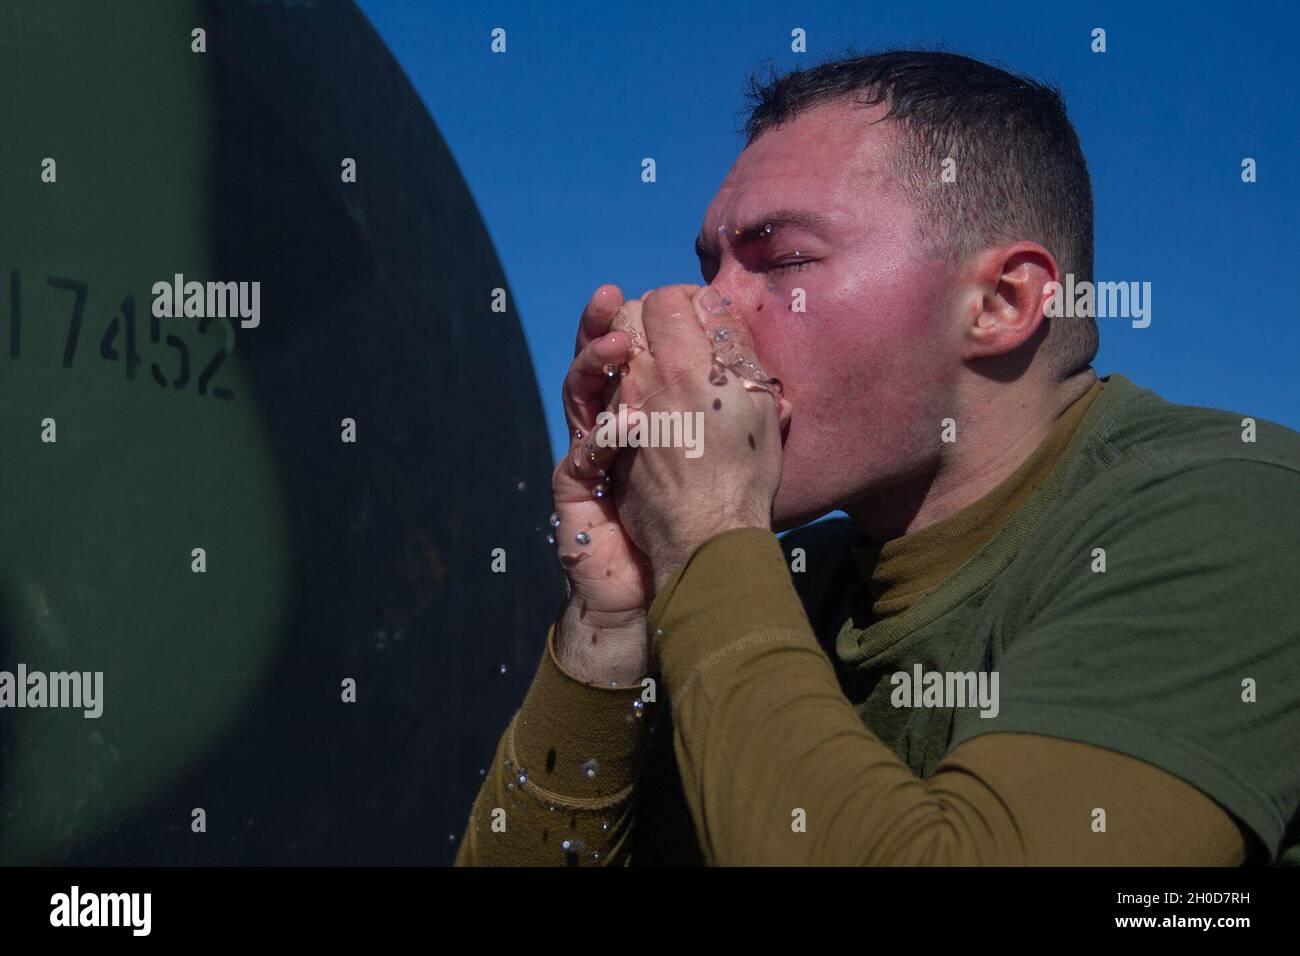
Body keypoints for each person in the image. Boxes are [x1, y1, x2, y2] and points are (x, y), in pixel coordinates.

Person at [455, 51, 1300, 866]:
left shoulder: (1237, 514)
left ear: (1001, 302)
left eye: (782, 259)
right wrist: (615, 629)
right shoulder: (765, 584)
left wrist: (709, 532)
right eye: (706, 269)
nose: (702, 311)